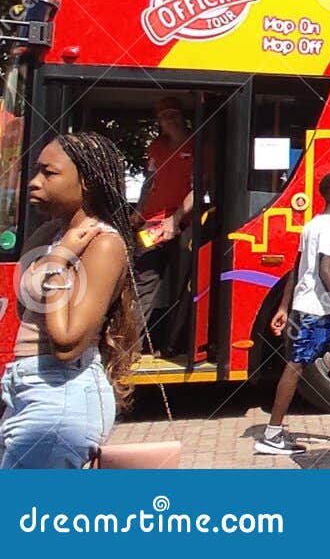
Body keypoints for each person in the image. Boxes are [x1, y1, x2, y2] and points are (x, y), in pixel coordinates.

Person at [2, 132, 140, 468]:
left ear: (88, 182)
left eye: (49, 173)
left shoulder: (102, 244)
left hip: (60, 393)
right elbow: (26, 311)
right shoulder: (49, 234)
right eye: (36, 171)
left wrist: (59, 262)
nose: (34, 183)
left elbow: (67, 345)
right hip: (24, 386)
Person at [256, 173, 330, 456]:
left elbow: (296, 269)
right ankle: (272, 434)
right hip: (314, 312)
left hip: (320, 310)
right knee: (295, 367)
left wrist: (284, 307)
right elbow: (323, 272)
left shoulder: (312, 226)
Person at [131, 97, 204, 357]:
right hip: (151, 223)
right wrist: (138, 210)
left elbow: (199, 189)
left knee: (180, 286)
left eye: (173, 115)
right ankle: (132, 346)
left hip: (182, 224)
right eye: (164, 117)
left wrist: (174, 220)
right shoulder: (157, 147)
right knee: (143, 281)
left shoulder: (198, 144)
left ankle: (172, 345)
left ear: (182, 116)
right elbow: (149, 180)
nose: (169, 121)